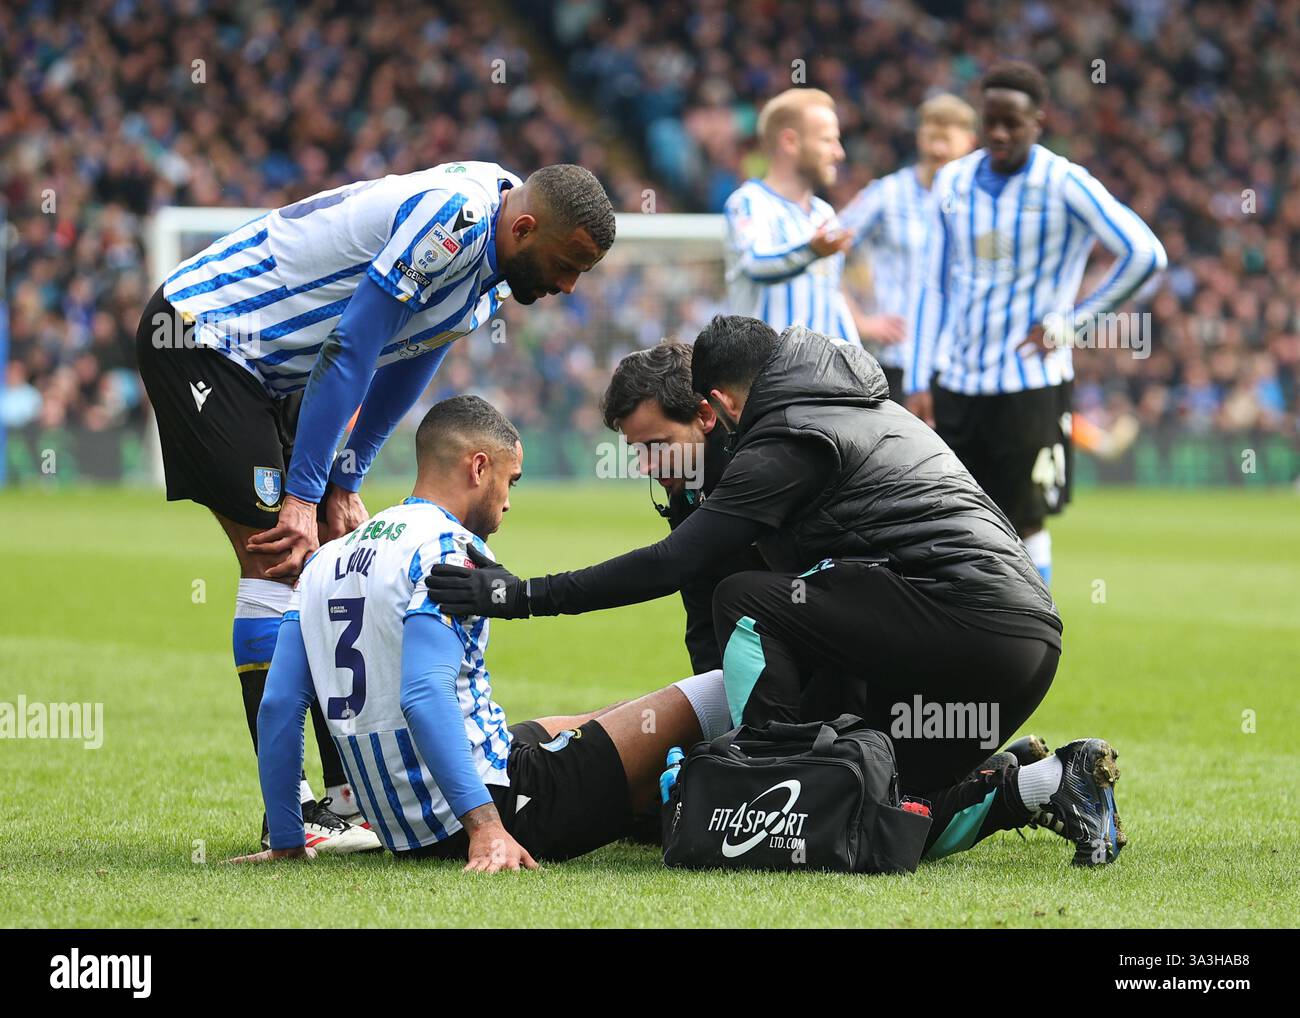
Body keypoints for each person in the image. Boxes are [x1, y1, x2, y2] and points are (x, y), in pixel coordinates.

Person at [427, 318, 1126, 866]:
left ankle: (763, 782)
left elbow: (680, 569)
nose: (648, 466)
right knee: (871, 813)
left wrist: (517, 596)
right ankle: (1043, 785)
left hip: (961, 624)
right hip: (1007, 647)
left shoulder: (780, 443)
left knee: (752, 605)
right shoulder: (817, 415)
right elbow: (712, 633)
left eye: (654, 446)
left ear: (709, 413)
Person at [135, 161, 615, 847]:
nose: (569, 285)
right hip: (204, 338)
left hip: (277, 367)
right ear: (526, 226)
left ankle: (342, 799)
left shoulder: (494, 257)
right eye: (568, 265)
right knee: (281, 559)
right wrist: (303, 493)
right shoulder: (454, 218)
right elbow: (355, 344)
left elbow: (408, 361)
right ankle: (295, 814)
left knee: (329, 562)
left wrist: (345, 477)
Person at [229, 395, 733, 870]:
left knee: (616, 717)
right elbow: (424, 693)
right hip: (495, 804)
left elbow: (277, 706)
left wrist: (289, 842)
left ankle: (663, 797)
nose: (508, 502)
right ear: (478, 467)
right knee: (715, 686)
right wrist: (487, 828)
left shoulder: (326, 558)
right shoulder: (448, 550)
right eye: (510, 481)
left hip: (406, 821)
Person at [907, 63, 1166, 585]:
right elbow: (931, 285)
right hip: (955, 381)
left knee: (1025, 521)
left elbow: (1145, 254)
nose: (1000, 133)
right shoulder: (954, 180)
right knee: (951, 519)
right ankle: (967, 637)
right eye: (991, 121)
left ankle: (1033, 639)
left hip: (1029, 384)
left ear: (1037, 122)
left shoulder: (1063, 182)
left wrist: (1072, 325)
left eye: (1013, 123)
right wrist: (917, 376)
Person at [838, 94, 978, 401]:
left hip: (962, 363)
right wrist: (861, 321)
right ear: (919, 137)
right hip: (897, 359)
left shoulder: (980, 203)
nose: (937, 149)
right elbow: (826, 253)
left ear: (969, 141)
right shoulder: (888, 193)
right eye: (931, 137)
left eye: (946, 139)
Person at [722, 89, 857, 341]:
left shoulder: (823, 212)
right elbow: (755, 263)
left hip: (818, 377)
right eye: (827, 140)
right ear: (790, 142)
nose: (839, 152)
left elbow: (833, 300)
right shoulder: (749, 202)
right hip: (764, 376)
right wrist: (811, 251)